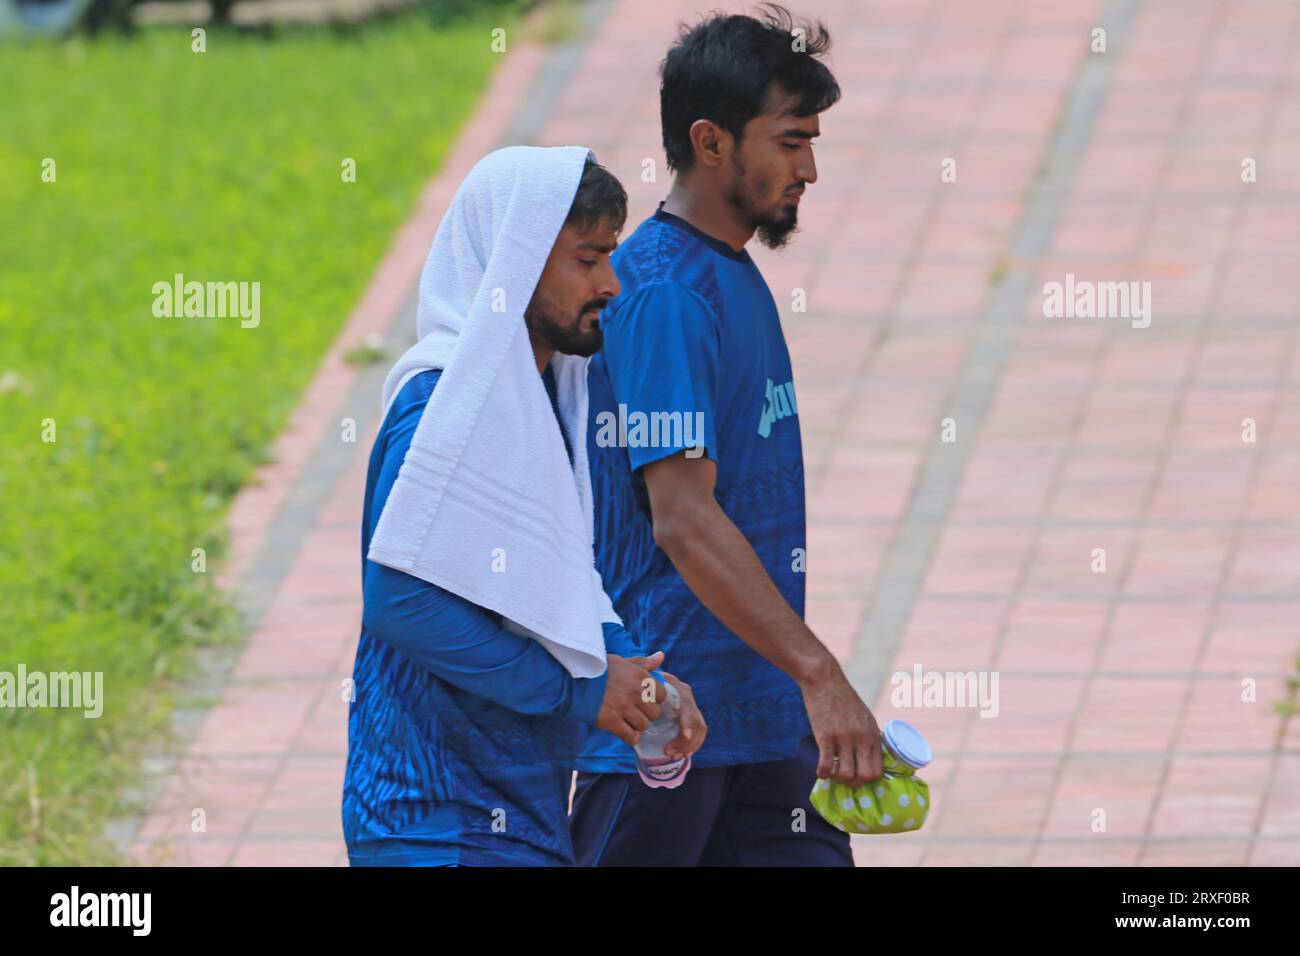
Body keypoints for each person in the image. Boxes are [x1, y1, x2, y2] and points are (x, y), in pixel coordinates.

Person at [570, 5, 881, 867]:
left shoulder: (729, 272)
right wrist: (821, 674)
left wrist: (801, 685)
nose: (810, 169)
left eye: (813, 141)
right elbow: (682, 517)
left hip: (763, 719)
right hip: (669, 732)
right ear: (711, 142)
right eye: (789, 142)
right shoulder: (666, 292)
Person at [342, 146, 705, 867]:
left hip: (512, 817)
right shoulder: (442, 407)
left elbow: (544, 585)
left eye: (610, 256)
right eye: (587, 260)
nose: (612, 283)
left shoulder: (545, 401)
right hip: (436, 825)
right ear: (514, 266)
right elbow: (398, 602)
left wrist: (637, 682)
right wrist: (584, 694)